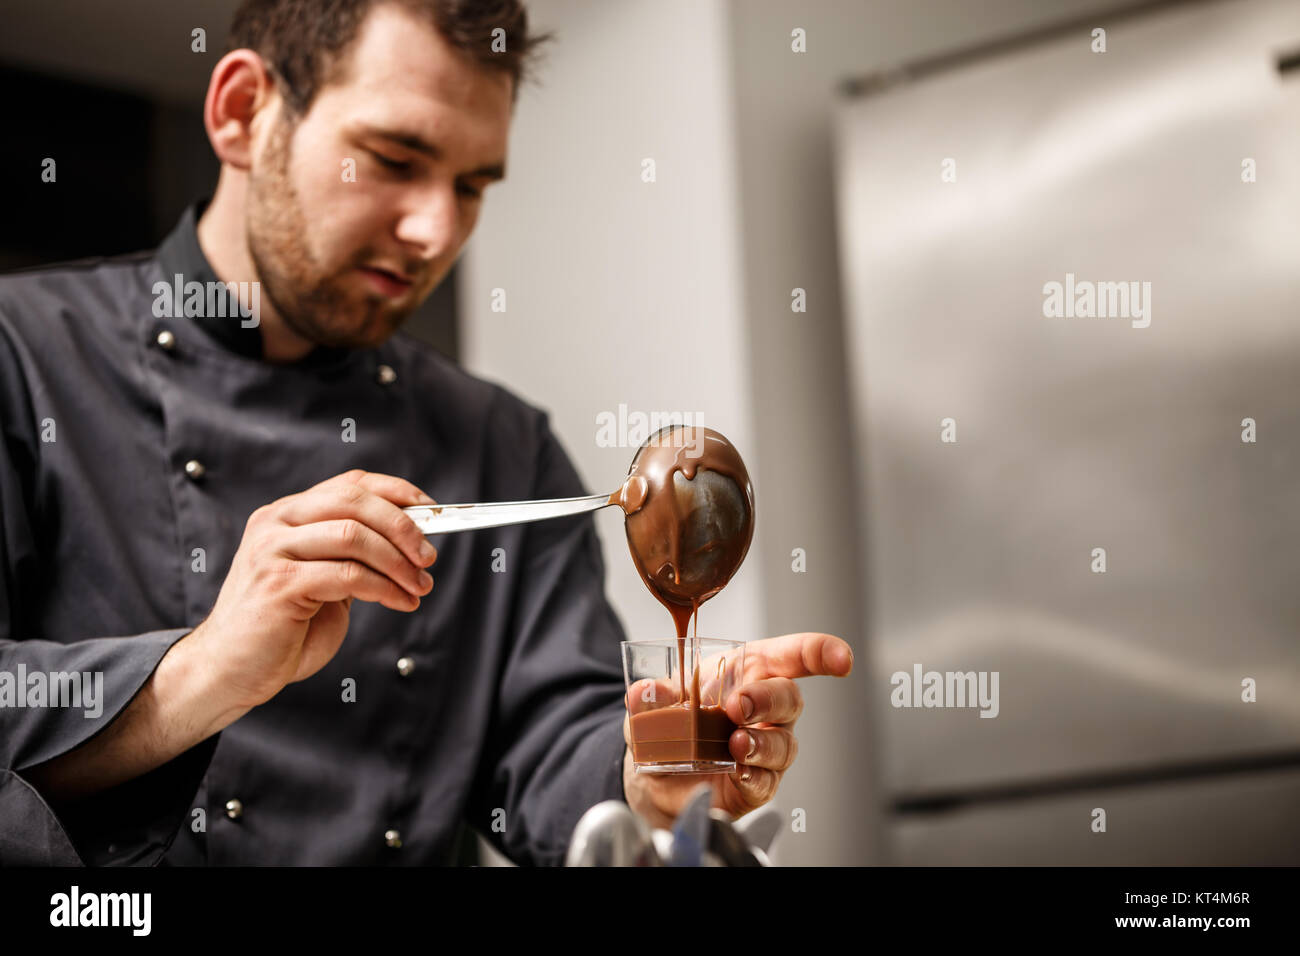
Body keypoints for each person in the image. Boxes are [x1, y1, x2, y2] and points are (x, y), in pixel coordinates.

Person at [0, 0, 853, 866]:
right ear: (241, 112)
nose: (437, 231)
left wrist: (643, 773)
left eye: (473, 185)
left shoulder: (501, 443)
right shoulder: (22, 358)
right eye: (393, 159)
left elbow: (553, 740)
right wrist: (201, 672)